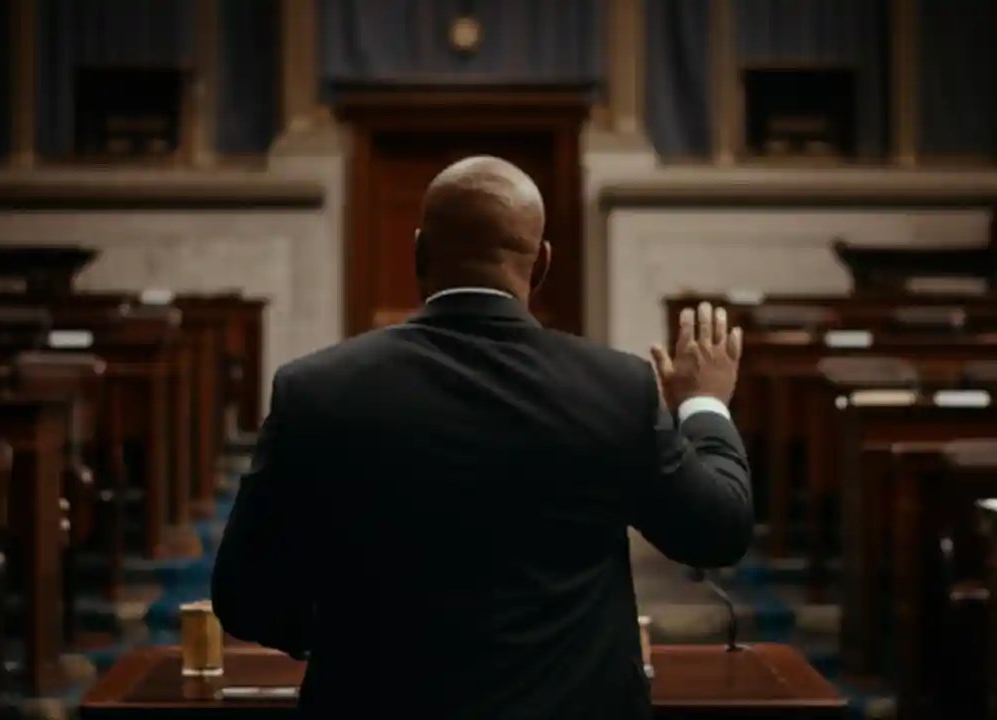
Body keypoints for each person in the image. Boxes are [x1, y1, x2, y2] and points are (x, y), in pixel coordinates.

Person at [212, 156, 753, 719]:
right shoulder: (616, 388)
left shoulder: (315, 390)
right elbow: (717, 532)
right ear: (540, 264)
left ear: (419, 252)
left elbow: (244, 595)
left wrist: (352, 635)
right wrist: (704, 401)